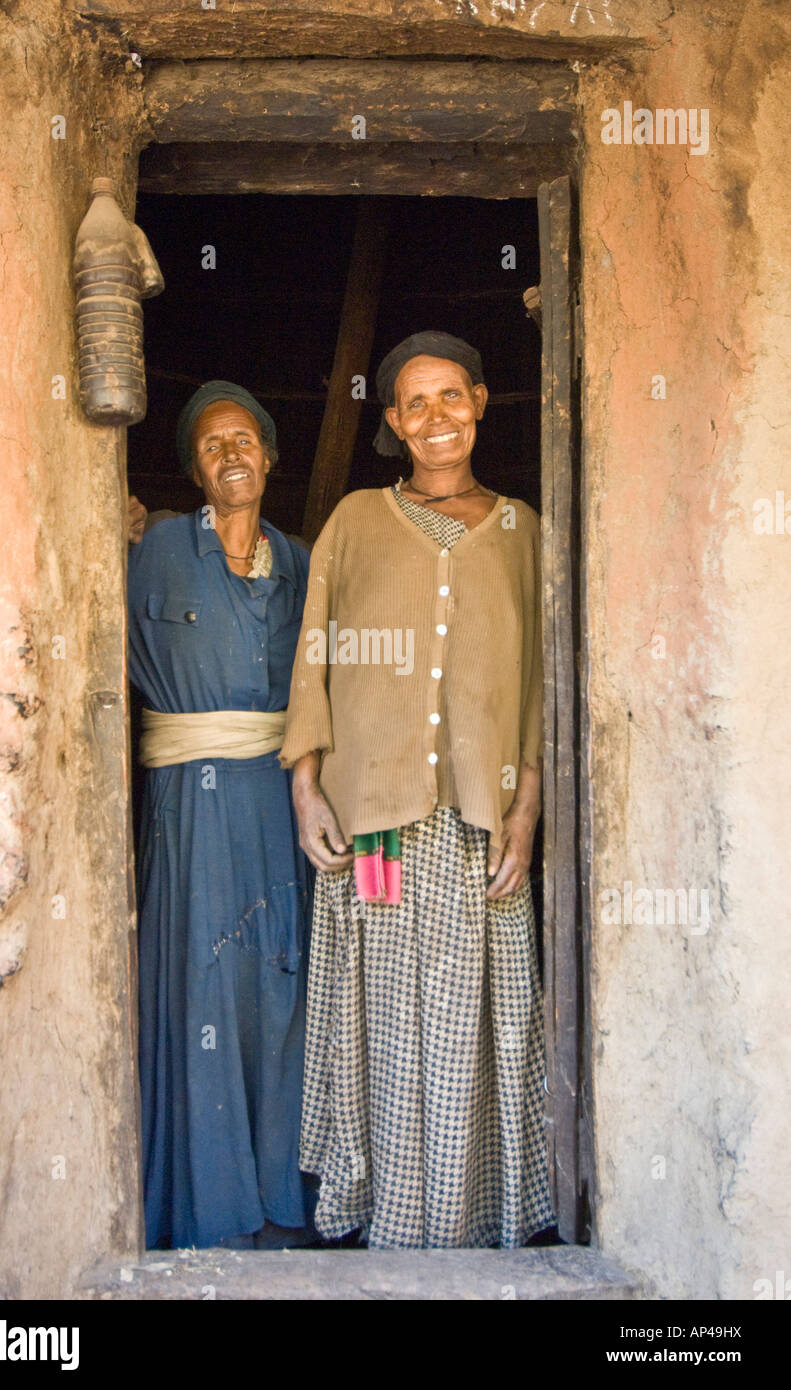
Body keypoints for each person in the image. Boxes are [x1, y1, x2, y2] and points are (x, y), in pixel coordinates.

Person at [279, 331, 555, 1249]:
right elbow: (313, 649)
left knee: (482, 1020)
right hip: (377, 833)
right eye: (415, 404)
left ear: (478, 402)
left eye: (451, 397)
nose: (436, 417)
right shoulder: (355, 521)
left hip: (479, 826)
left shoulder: (524, 531)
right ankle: (390, 1214)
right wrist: (307, 783)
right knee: (385, 1015)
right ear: (392, 422)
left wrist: (524, 812)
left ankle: (472, 1220)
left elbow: (539, 684)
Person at [127, 381, 313, 1249]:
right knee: (199, 981)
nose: (231, 453)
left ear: (269, 458)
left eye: (244, 439)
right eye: (211, 446)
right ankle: (205, 1203)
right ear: (195, 473)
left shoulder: (304, 563)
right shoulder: (155, 549)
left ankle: (284, 1196)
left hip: (282, 801)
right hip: (188, 811)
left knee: (281, 986)